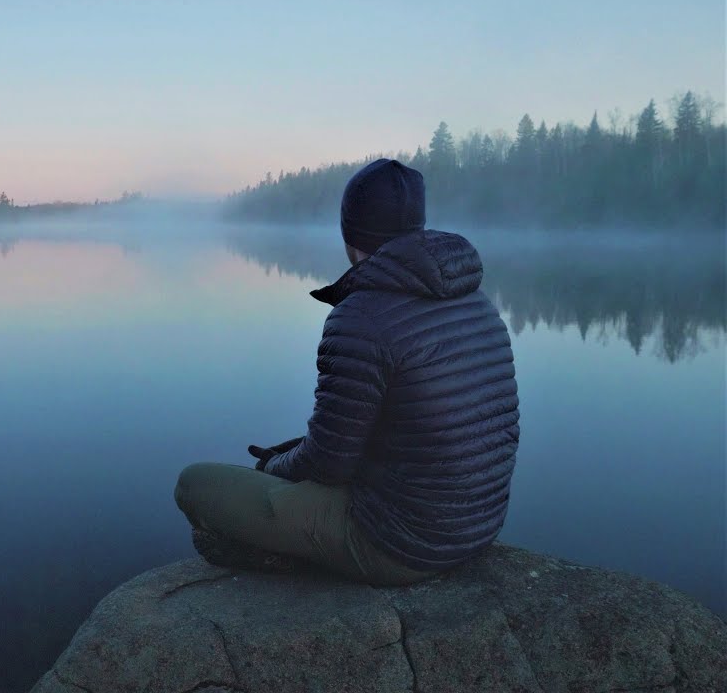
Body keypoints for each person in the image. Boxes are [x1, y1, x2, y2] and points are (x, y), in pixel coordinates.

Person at [175, 158, 519, 586]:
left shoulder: (360, 317)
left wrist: (270, 471)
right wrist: (300, 449)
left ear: (349, 234)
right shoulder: (476, 301)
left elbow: (328, 465)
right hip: (478, 527)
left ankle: (305, 558)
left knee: (194, 485)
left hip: (400, 546)